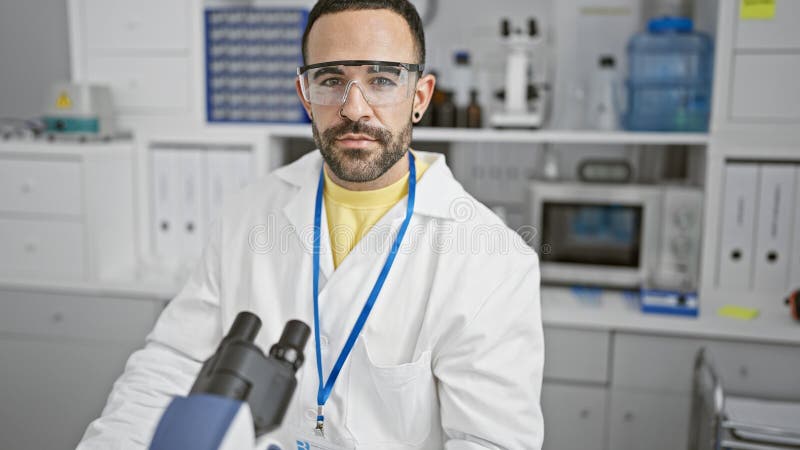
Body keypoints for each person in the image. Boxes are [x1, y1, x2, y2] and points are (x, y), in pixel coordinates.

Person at [77, 0, 544, 448]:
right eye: (331, 79)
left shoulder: (493, 260)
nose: (354, 108)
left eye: (382, 79)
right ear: (305, 94)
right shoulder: (247, 214)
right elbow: (172, 365)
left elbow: (491, 441)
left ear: (419, 97)